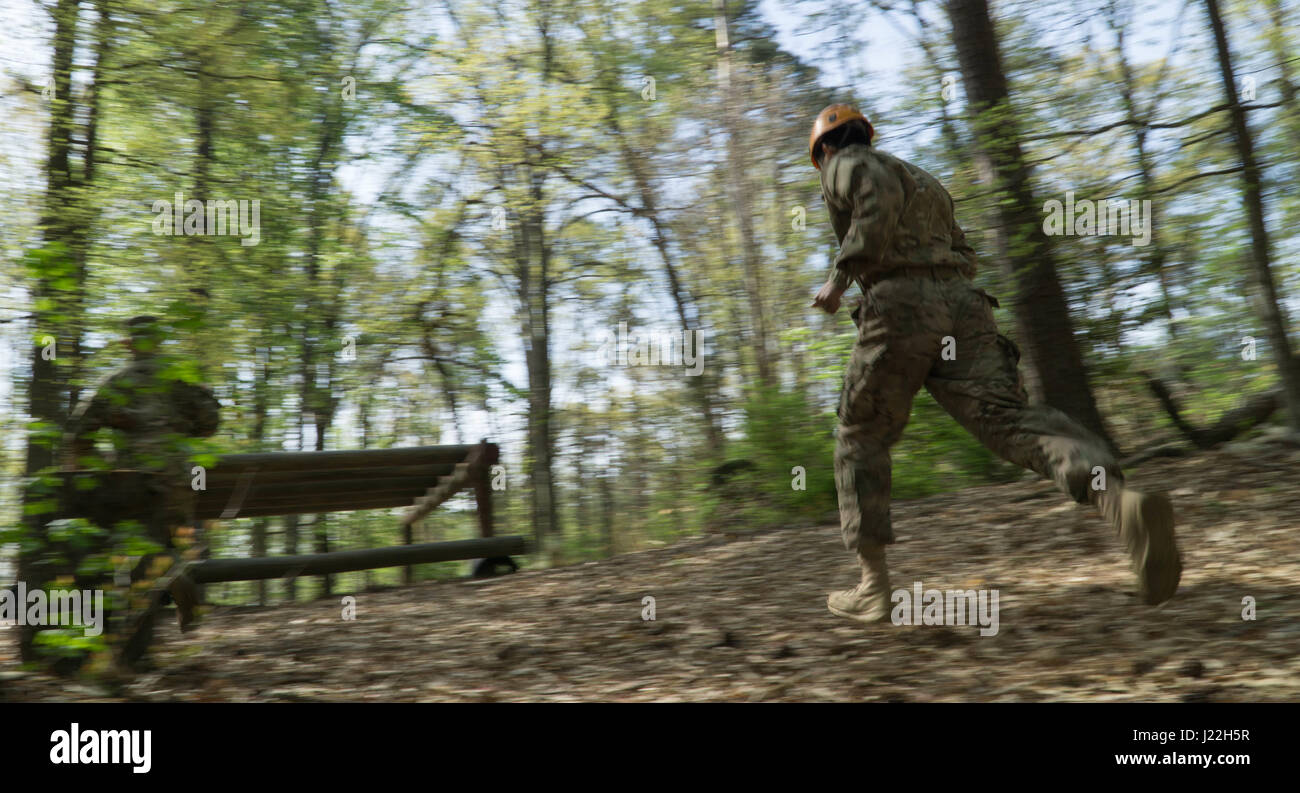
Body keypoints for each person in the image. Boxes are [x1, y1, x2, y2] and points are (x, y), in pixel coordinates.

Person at [807, 104, 1181, 624]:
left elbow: (877, 198)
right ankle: (1121, 504)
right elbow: (963, 250)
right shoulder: (928, 181)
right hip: (964, 307)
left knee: (859, 435)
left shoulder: (845, 164)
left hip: (900, 308)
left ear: (825, 147)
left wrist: (842, 277)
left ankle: (874, 586)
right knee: (1007, 420)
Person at [64, 315, 220, 641]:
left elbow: (79, 433)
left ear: (129, 344)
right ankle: (176, 597)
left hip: (130, 479)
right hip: (179, 477)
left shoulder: (117, 381)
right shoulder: (182, 378)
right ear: (159, 342)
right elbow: (210, 425)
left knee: (134, 548)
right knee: (164, 545)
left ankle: (128, 636)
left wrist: (95, 462)